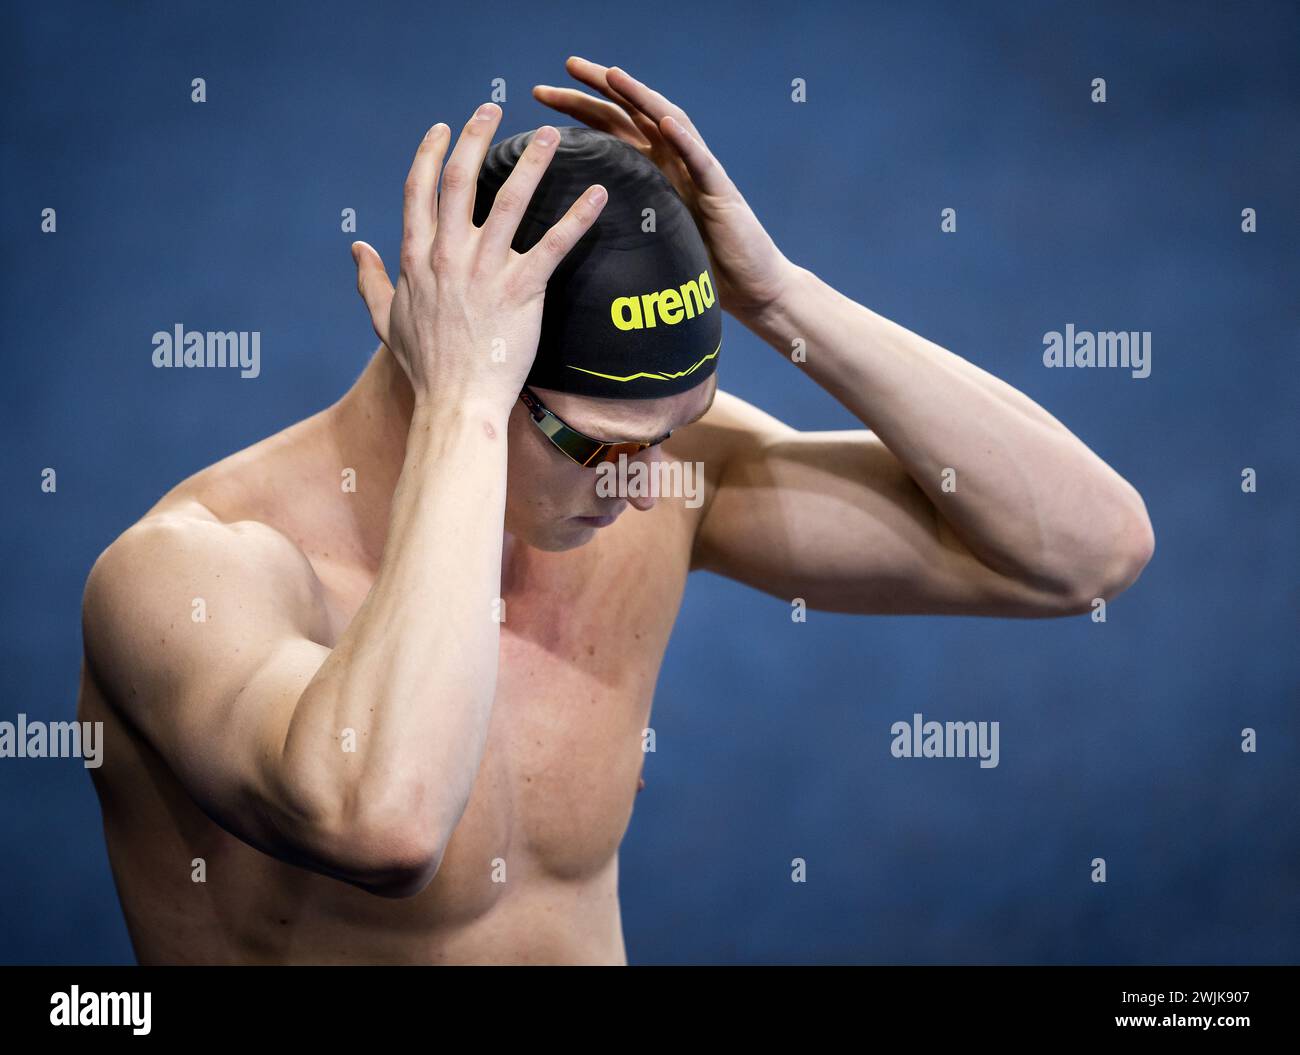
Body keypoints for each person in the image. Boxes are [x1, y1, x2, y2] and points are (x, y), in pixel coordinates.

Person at [77, 57, 1154, 965]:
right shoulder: (191, 577)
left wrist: (780, 298)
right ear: (452, 366)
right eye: (602, 442)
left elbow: (1083, 554)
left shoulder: (641, 483)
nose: (646, 488)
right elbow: (386, 818)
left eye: (671, 436)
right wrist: (459, 402)